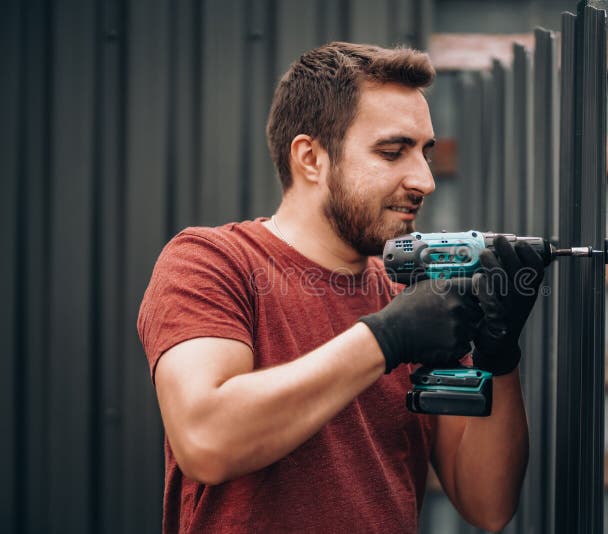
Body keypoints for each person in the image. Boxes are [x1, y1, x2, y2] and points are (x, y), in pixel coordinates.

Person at [137, 41, 547, 533]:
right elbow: (206, 440)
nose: (424, 180)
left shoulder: (410, 296)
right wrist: (385, 338)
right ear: (311, 158)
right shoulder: (212, 262)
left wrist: (498, 357)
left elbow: (488, 504)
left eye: (425, 153)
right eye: (392, 152)